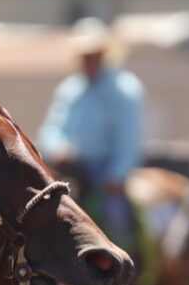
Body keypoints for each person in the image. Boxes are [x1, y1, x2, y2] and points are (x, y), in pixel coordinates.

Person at [37, 17, 143, 234]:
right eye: (85, 56)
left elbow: (129, 138)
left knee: (115, 218)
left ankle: (125, 262)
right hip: (71, 168)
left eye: (93, 55)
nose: (88, 61)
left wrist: (117, 174)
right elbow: (51, 129)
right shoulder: (70, 89)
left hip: (104, 172)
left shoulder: (124, 89)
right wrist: (59, 147)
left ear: (104, 55)